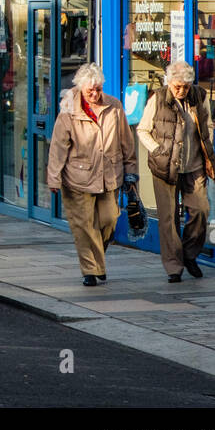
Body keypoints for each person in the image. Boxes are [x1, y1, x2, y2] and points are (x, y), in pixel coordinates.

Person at [46, 62, 138, 286]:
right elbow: (59, 146)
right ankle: (90, 270)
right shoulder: (69, 109)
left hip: (109, 177)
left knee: (109, 220)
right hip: (78, 178)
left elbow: (127, 143)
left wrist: (131, 173)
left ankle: (98, 260)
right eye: (90, 91)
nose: (95, 94)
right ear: (81, 89)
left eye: (98, 89)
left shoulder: (114, 106)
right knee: (84, 226)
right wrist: (54, 178)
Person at [136, 60, 213, 282]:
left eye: (185, 87)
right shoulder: (158, 98)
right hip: (164, 166)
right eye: (177, 86)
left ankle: (189, 255)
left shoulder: (199, 96)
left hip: (194, 164)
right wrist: (157, 150)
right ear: (168, 82)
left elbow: (206, 127)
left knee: (200, 210)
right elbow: (143, 130)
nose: (181, 90)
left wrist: (209, 153)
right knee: (168, 218)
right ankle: (173, 266)